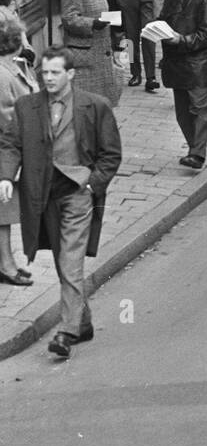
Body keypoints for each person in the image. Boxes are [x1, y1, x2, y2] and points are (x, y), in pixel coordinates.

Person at [0, 45, 121, 357]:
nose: (48, 78)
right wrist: (5, 176)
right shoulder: (28, 106)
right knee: (62, 260)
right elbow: (11, 143)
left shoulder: (95, 106)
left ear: (70, 74)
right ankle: (83, 321)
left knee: (69, 260)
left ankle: (66, 333)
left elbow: (111, 154)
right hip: (43, 195)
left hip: (78, 194)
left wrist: (93, 186)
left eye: (55, 72)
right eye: (45, 72)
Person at [157, 0, 207, 170]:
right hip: (177, 65)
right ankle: (194, 148)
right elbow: (164, 20)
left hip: (199, 65)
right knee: (182, 113)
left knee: (200, 110)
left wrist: (181, 40)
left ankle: (197, 153)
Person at [0, 17, 39, 284]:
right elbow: (7, 116)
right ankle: (6, 265)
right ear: (13, 42)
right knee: (3, 211)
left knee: (6, 211)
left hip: (13, 149)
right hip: (6, 149)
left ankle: (7, 262)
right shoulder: (2, 75)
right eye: (23, 39)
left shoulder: (14, 67)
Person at [60, 0, 122, 107]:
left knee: (99, 104)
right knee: (86, 104)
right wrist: (92, 23)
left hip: (98, 50)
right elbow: (68, 18)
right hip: (85, 53)